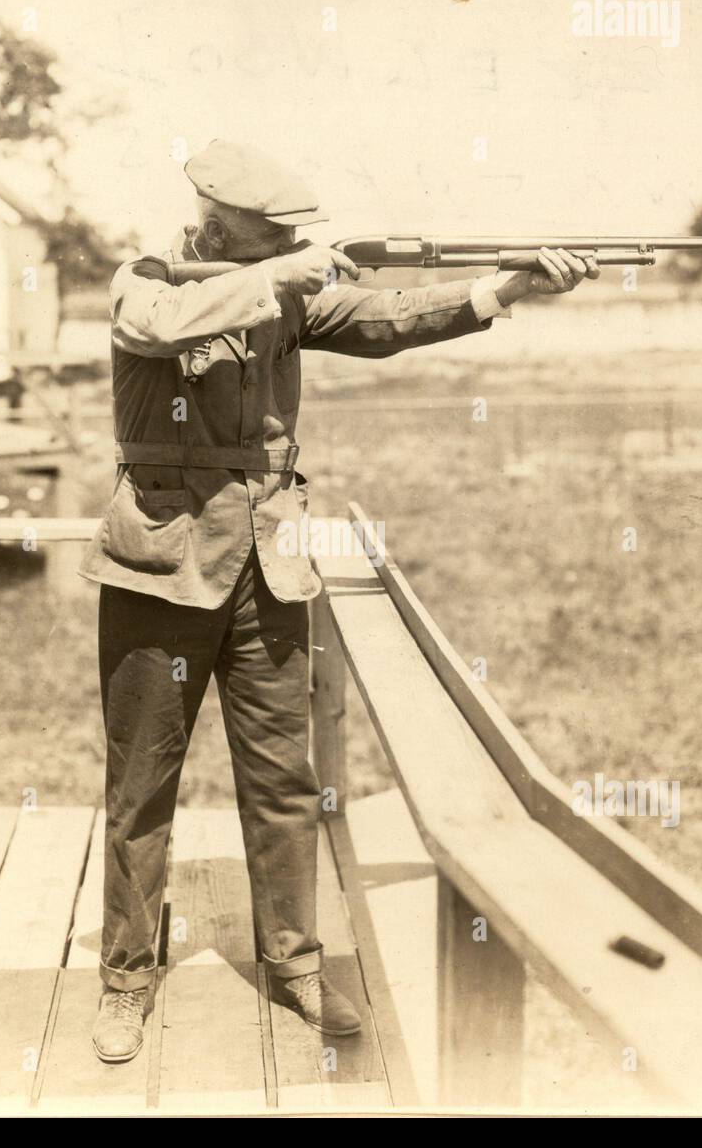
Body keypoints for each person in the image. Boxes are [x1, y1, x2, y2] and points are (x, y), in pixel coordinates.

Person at [78, 139, 598, 1063]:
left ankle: (295, 963)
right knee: (140, 785)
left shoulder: (281, 286)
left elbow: (391, 316)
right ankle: (125, 979)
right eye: (270, 229)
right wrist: (286, 271)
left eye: (289, 233)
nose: (286, 240)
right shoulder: (149, 279)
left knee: (284, 783)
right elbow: (162, 328)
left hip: (270, 567)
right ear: (216, 221)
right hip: (161, 564)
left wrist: (510, 285)